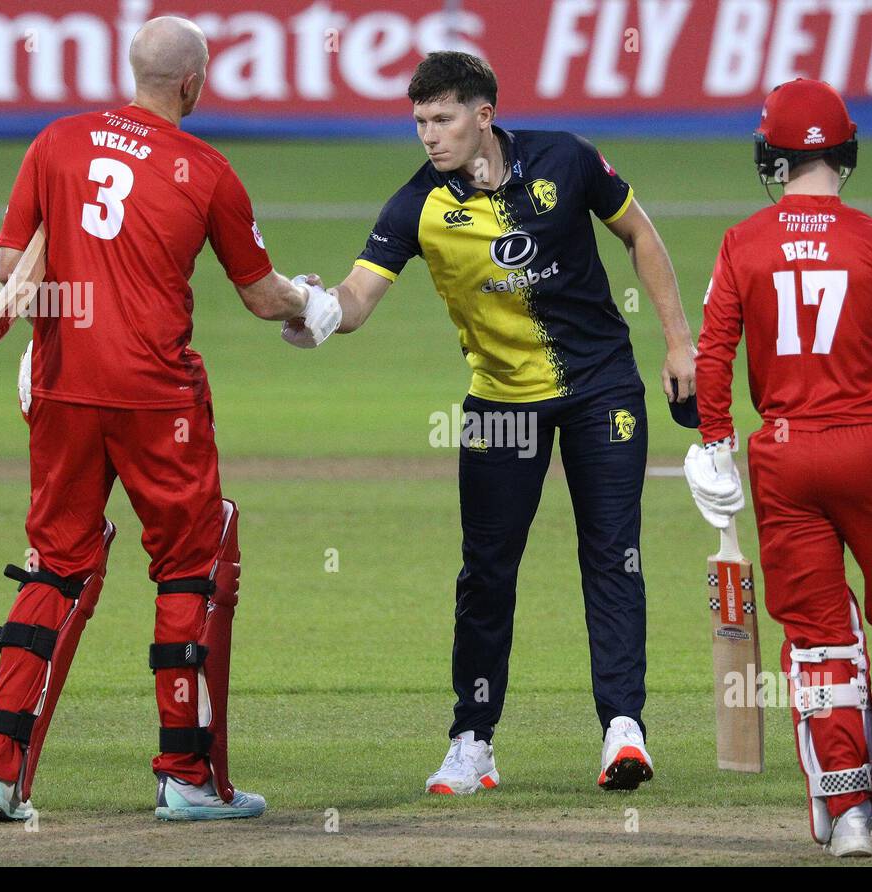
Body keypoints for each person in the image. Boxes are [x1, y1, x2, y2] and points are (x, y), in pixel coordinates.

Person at [0, 16, 341, 823]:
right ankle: (188, 776)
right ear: (192, 84)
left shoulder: (56, 141)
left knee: (56, 565)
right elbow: (258, 293)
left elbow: (11, 274)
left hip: (62, 386)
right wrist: (316, 303)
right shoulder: (207, 171)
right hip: (156, 399)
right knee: (193, 564)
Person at [292, 51, 695, 793]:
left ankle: (622, 730)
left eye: (443, 119)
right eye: (419, 122)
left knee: (613, 555)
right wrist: (307, 309)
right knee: (485, 575)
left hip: (602, 391)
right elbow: (353, 300)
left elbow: (640, 234)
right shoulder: (416, 204)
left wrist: (677, 341)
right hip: (502, 406)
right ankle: (473, 741)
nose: (429, 137)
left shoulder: (566, 160)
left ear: (485, 115)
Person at [684, 78, 872, 857]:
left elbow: (713, 353)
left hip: (782, 456)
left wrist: (715, 441)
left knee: (818, 640)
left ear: (772, 157)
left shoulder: (742, 242)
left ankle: (848, 814)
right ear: (845, 151)